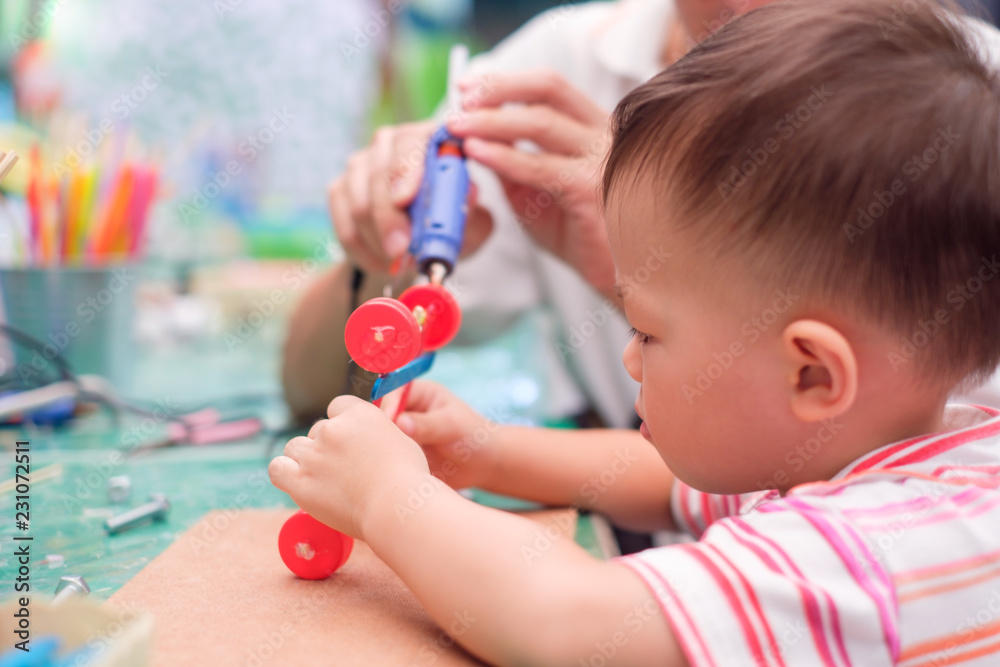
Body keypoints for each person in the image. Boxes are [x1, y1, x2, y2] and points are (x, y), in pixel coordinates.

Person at [270, 0, 1000, 663]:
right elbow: (665, 481)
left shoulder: (855, 558)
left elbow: (561, 622)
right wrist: (485, 451)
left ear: (812, 372)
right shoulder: (891, 446)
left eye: (648, 330)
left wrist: (388, 497)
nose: (628, 352)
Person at [282, 0, 776, 426]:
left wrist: (633, 268)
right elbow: (313, 388)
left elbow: (802, 467)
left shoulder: (850, 102)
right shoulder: (558, 66)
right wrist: (384, 250)